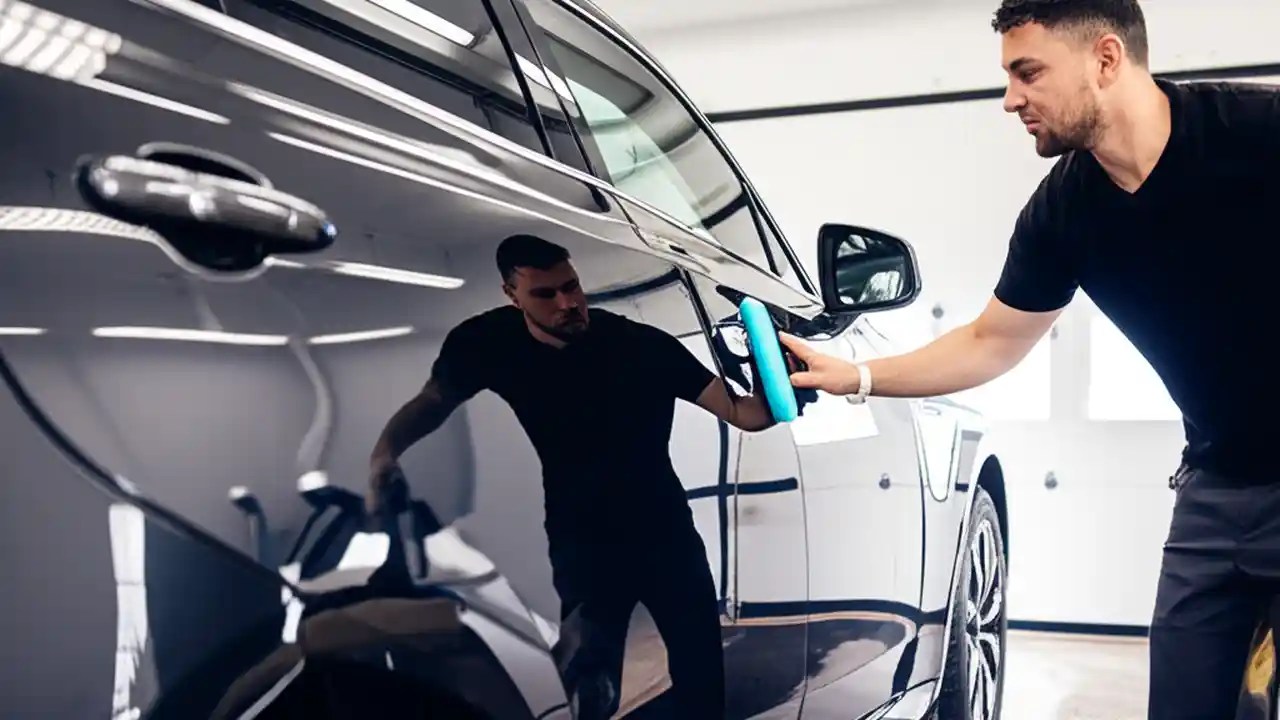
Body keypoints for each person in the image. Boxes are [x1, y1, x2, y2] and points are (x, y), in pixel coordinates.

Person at [778, 1, 1280, 718]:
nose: (1011, 99)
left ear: (1105, 59)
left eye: (1028, 72)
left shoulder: (1257, 133)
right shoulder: (1066, 211)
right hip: (1216, 487)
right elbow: (992, 340)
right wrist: (857, 377)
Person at [367, 233, 778, 719]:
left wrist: (781, 383)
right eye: (545, 294)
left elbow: (742, 413)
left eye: (571, 287)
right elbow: (434, 402)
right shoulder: (488, 343)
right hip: (580, 542)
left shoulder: (641, 346)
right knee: (588, 684)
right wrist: (384, 454)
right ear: (512, 294)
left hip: (664, 532)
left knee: (700, 673)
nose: (567, 303)